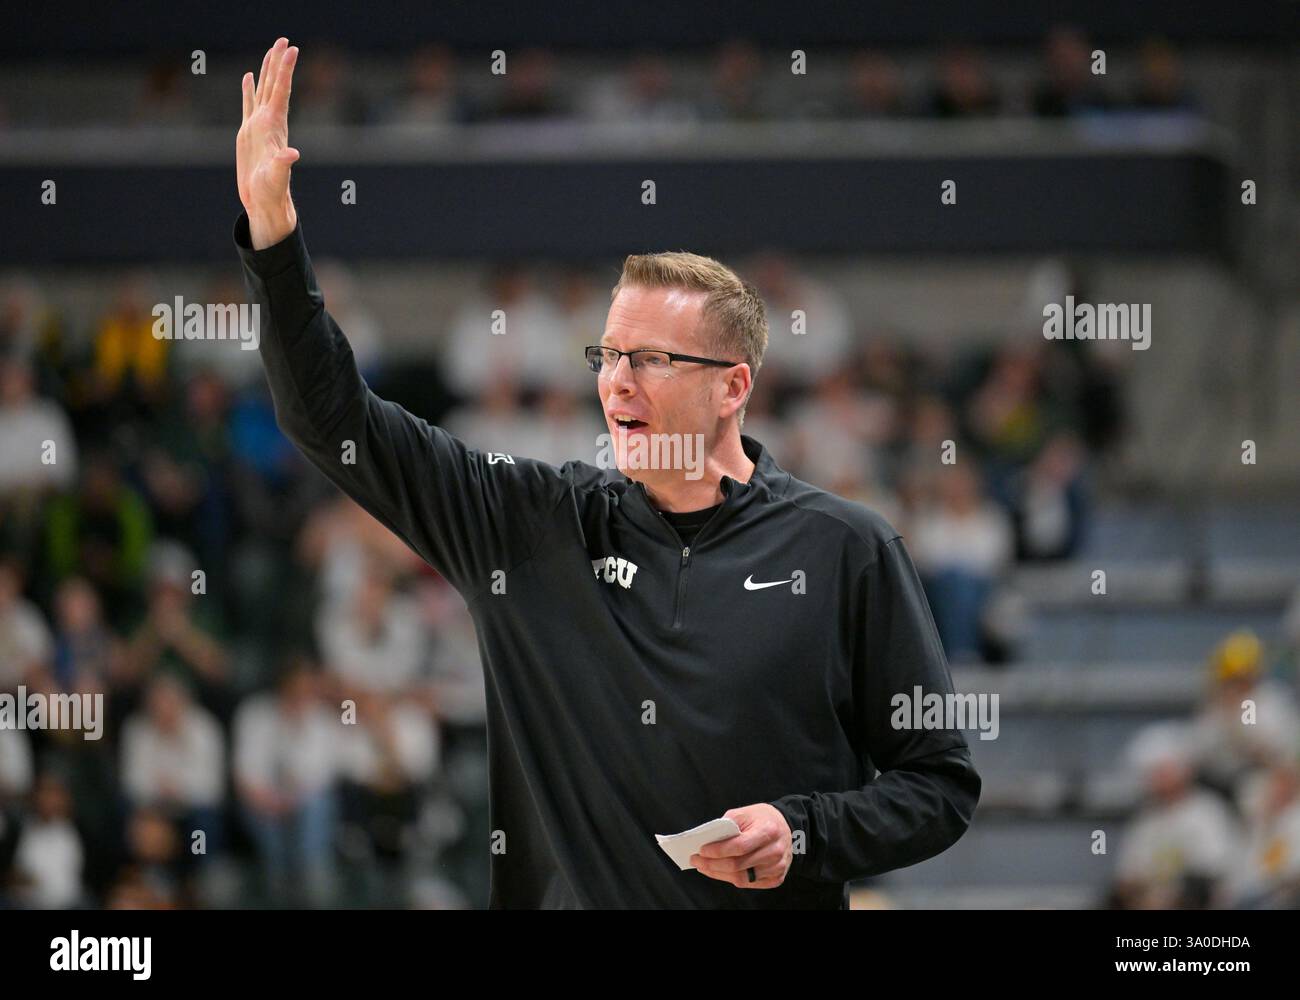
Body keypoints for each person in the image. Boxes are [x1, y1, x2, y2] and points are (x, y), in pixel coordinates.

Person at [233, 37, 979, 909]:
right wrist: (275, 242)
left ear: (733, 386)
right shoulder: (526, 524)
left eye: (651, 359)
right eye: (606, 354)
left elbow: (939, 786)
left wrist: (806, 831)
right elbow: (332, 421)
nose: (616, 380)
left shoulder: (845, 547)